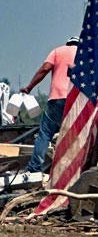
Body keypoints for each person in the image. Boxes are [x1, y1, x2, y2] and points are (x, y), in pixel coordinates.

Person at [19, 36, 80, 175]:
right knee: (77, 134)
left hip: (57, 99)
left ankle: (35, 169)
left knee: (45, 135)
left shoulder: (58, 51)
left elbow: (44, 69)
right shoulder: (85, 54)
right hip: (77, 101)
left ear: (68, 43)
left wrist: (29, 87)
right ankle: (75, 169)